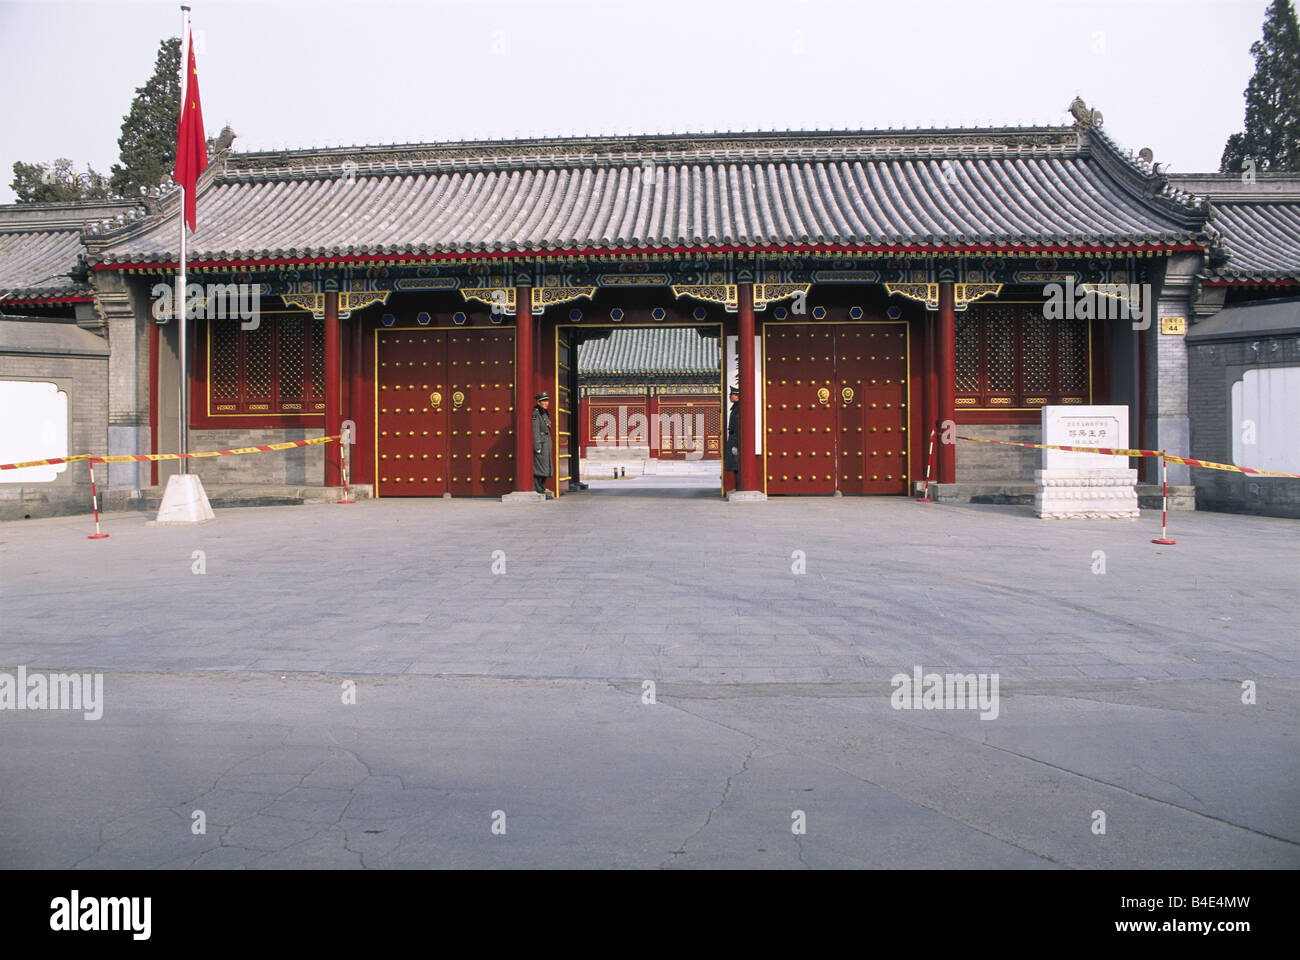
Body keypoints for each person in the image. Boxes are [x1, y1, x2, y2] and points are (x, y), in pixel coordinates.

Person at [532, 391, 554, 499]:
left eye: (547, 400)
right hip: (541, 443)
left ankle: (542, 487)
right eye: (543, 401)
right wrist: (537, 447)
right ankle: (538, 489)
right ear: (538, 402)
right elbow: (535, 430)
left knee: (546, 467)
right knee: (539, 468)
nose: (546, 403)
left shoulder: (544, 413)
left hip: (546, 443)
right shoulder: (536, 413)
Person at [724, 384, 741, 487]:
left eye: (732, 394)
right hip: (733, 439)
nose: (730, 396)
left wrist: (735, 444)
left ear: (737, 396)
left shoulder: (738, 409)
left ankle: (739, 486)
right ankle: (737, 486)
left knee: (736, 465)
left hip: (735, 440)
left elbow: (737, 427)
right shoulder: (735, 408)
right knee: (734, 465)